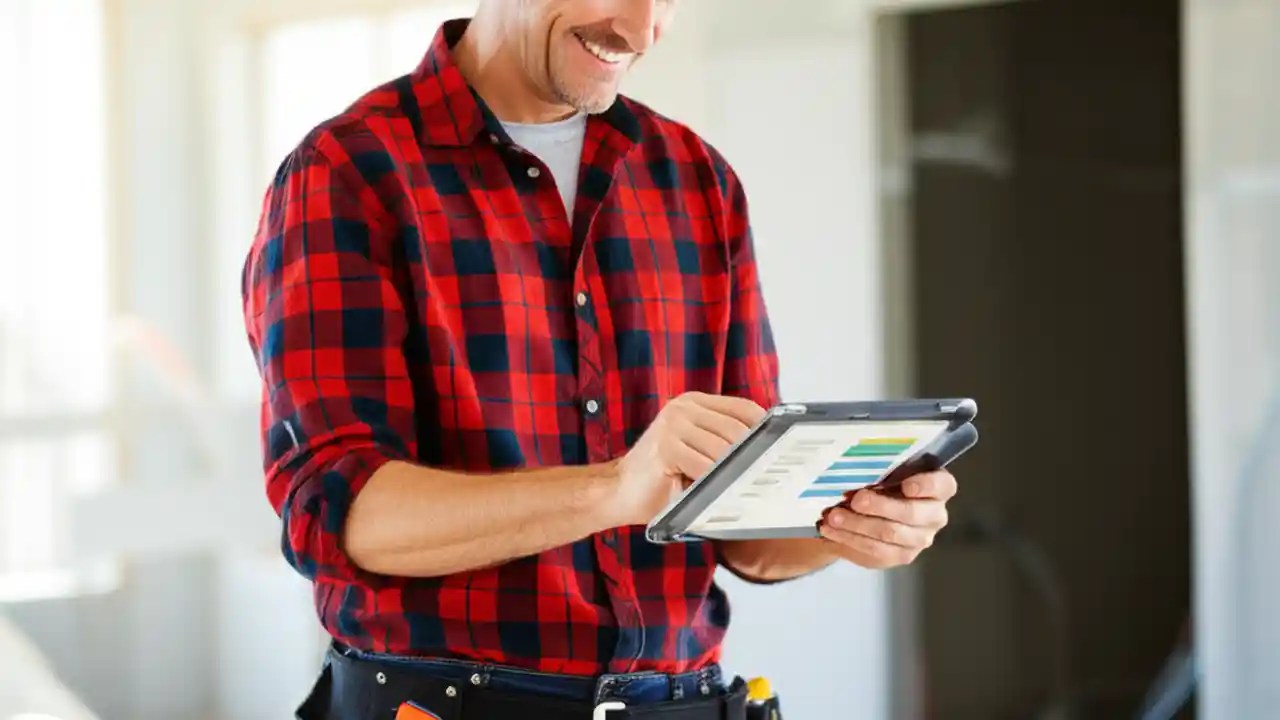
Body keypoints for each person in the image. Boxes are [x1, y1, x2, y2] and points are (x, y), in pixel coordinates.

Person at [241, 1, 958, 718]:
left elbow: (746, 534)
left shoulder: (696, 179)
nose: (643, 30)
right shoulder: (348, 172)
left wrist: (852, 521)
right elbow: (341, 515)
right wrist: (616, 488)